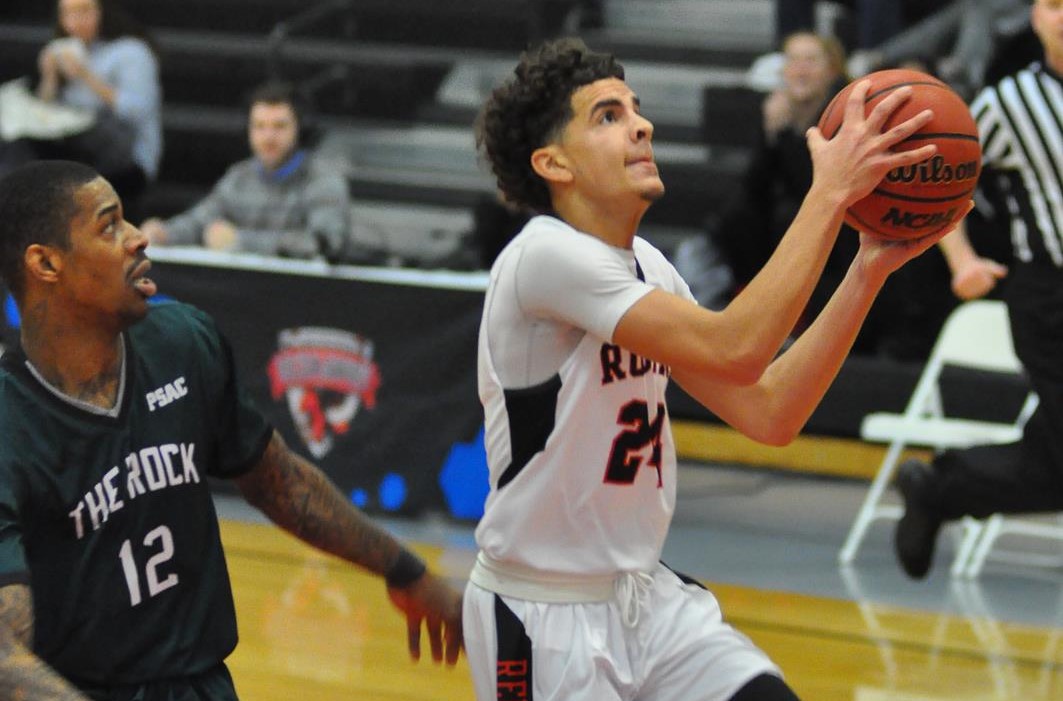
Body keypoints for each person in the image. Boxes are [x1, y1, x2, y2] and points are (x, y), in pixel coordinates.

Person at [464, 36, 951, 701]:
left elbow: (769, 410)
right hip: (541, 612)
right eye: (607, 116)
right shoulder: (542, 258)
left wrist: (864, 271)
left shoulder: (650, 267)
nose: (641, 124)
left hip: (648, 601)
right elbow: (736, 345)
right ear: (552, 163)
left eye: (634, 108)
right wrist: (828, 194)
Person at [0, 160, 461, 698]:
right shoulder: (11, 421)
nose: (138, 238)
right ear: (46, 263)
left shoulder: (183, 343)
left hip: (203, 685)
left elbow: (279, 482)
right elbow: (7, 655)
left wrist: (405, 568)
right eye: (109, 225)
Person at [893, 0, 1063, 581]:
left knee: (1056, 462)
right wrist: (961, 259)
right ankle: (940, 489)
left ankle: (939, 488)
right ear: (1034, 19)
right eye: (1054, 4)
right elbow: (941, 178)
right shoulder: (1006, 103)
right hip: (1050, 298)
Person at [140, 81, 350, 261]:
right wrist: (163, 233)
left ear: (300, 129)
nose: (268, 137)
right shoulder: (239, 176)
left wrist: (241, 241)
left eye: (279, 126)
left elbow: (326, 242)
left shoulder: (323, 179)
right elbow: (199, 221)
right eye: (259, 126)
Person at [0, 0, 161, 211]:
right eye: (67, 14)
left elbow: (137, 111)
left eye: (83, 11)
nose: (75, 22)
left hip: (124, 155)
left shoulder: (131, 51)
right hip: (73, 147)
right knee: (19, 142)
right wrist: (50, 78)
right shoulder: (64, 49)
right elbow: (48, 113)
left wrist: (85, 75)